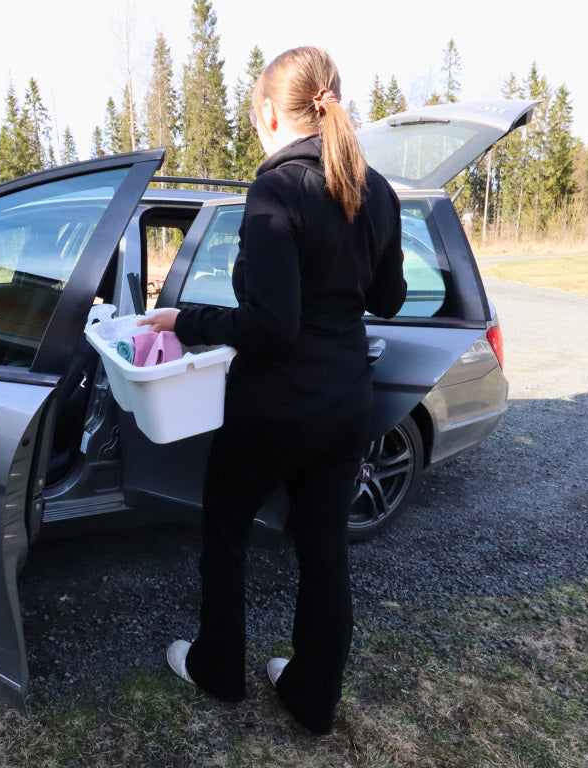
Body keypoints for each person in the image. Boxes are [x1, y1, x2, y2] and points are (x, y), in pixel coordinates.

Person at [138, 46, 406, 735]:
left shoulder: (276, 191)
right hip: (347, 402)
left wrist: (183, 320)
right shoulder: (376, 191)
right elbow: (389, 298)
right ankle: (312, 697)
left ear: (267, 111)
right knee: (324, 550)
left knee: (226, 529)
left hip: (275, 408)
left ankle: (219, 668)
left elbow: (271, 326)